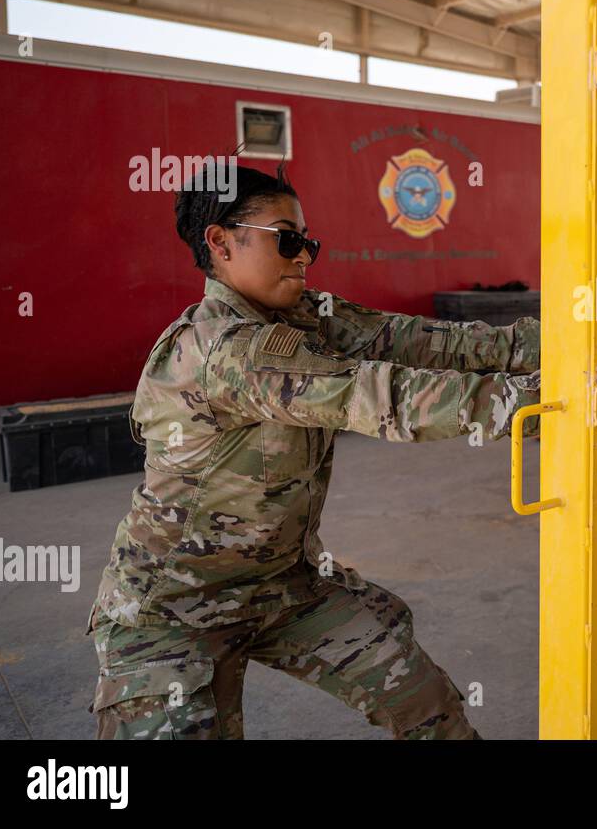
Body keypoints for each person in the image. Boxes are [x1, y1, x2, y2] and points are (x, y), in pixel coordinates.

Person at [85, 162, 541, 739]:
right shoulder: (223, 350)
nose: (304, 256)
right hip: (174, 611)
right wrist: (544, 406)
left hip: (282, 586)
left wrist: (560, 338)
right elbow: (378, 395)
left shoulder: (305, 315)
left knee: (423, 699)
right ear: (221, 242)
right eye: (288, 240)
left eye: (309, 243)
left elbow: (423, 343)